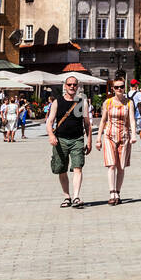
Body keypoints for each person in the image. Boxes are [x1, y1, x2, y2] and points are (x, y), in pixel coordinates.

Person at [47, 75, 92, 208]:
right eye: (69, 84)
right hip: (60, 140)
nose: (72, 87)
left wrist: (89, 141)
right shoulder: (57, 102)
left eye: (74, 85)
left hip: (77, 139)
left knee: (78, 167)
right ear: (65, 86)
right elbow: (49, 121)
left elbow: (87, 124)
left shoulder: (81, 102)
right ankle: (67, 196)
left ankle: (76, 197)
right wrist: (51, 135)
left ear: (77, 87)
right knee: (61, 169)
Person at [98, 72, 134, 205]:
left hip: (124, 136)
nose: (119, 89)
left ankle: (118, 192)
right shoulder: (107, 103)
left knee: (121, 167)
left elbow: (132, 120)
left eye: (122, 86)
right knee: (111, 165)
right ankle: (112, 192)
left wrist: (134, 135)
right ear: (113, 89)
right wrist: (98, 138)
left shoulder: (129, 103)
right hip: (109, 135)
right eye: (117, 87)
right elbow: (102, 121)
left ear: (124, 87)